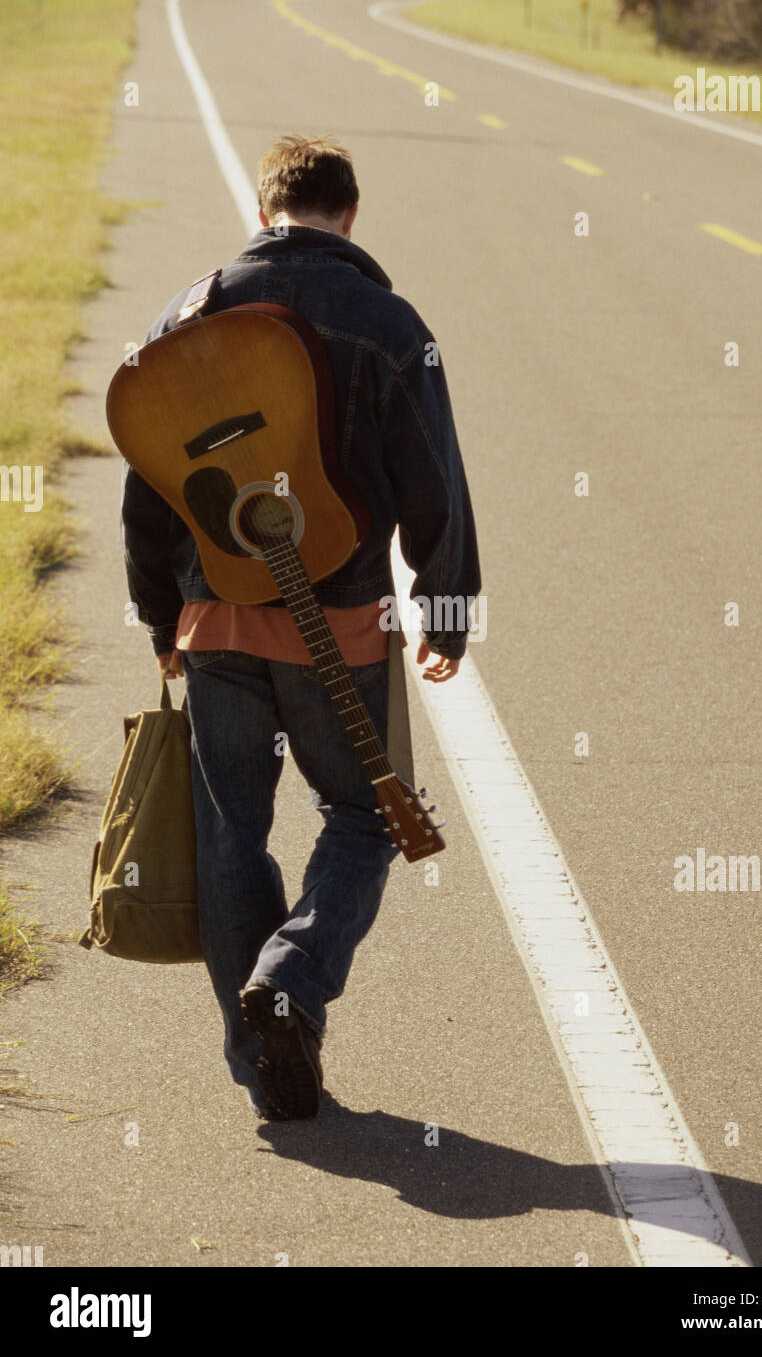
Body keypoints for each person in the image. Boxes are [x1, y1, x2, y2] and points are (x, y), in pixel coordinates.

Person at [120, 135, 482, 1121]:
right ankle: (291, 975)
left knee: (230, 833)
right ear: (348, 216)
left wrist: (161, 616)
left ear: (264, 205)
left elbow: (145, 491)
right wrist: (445, 611)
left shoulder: (186, 313)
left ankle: (262, 1062)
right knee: (365, 814)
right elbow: (432, 482)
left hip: (215, 624)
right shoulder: (389, 323)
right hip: (341, 626)